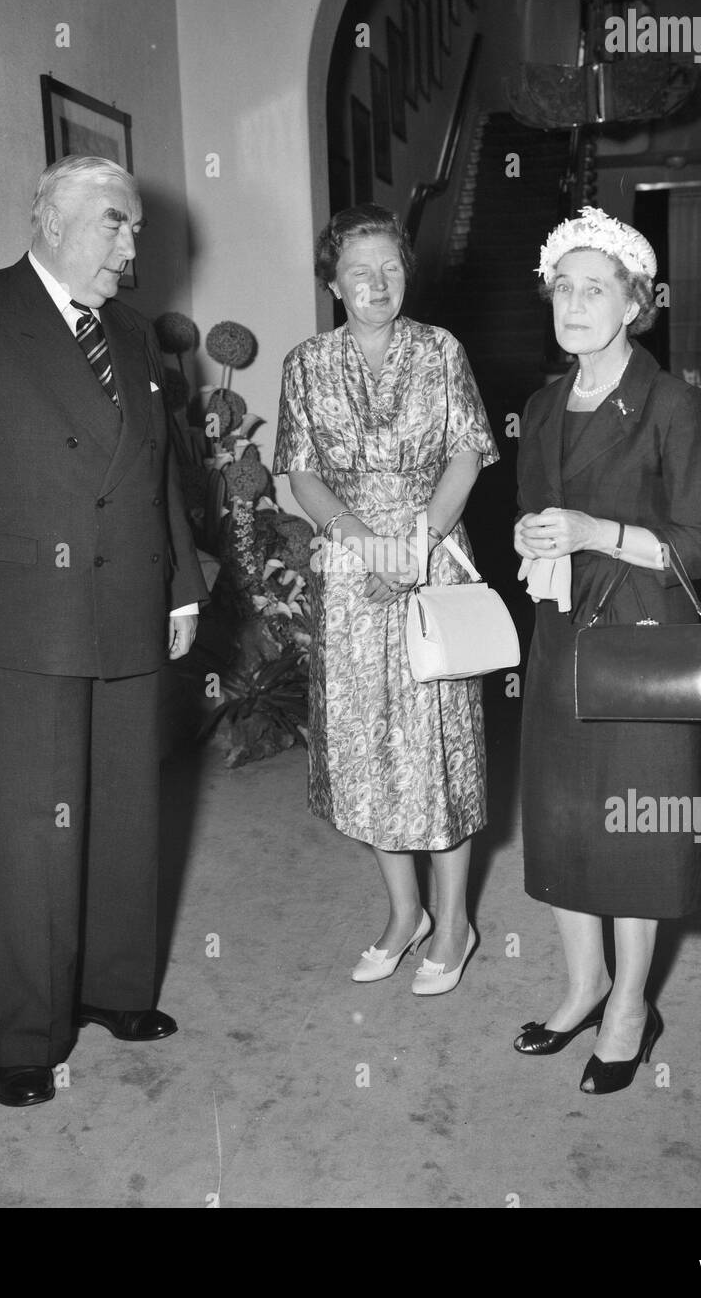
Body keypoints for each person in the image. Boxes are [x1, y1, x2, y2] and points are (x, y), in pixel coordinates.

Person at [0, 155, 210, 1107]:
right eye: (117, 223)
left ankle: (116, 990)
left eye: (138, 227)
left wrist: (181, 589)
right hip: (14, 618)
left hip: (125, 608)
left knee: (121, 812)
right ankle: (28, 1037)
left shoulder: (134, 334)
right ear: (52, 218)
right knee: (26, 827)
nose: (132, 244)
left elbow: (157, 476)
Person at [513, 206, 701, 1093]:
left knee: (634, 823)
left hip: (641, 640)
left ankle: (631, 1007)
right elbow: (539, 520)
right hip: (562, 633)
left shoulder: (673, 404)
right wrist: (536, 539)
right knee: (564, 815)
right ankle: (581, 985)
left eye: (593, 288)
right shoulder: (536, 404)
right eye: (561, 287)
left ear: (634, 302)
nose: (572, 303)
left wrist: (600, 530)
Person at [274, 204, 497, 995]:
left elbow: (468, 450)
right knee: (368, 749)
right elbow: (300, 471)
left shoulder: (440, 351)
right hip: (347, 569)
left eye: (391, 268)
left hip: (431, 556)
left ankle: (455, 921)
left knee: (439, 746)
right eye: (359, 270)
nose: (377, 283)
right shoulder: (304, 363)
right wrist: (360, 537)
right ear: (332, 282)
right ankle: (403, 915)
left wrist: (418, 540)